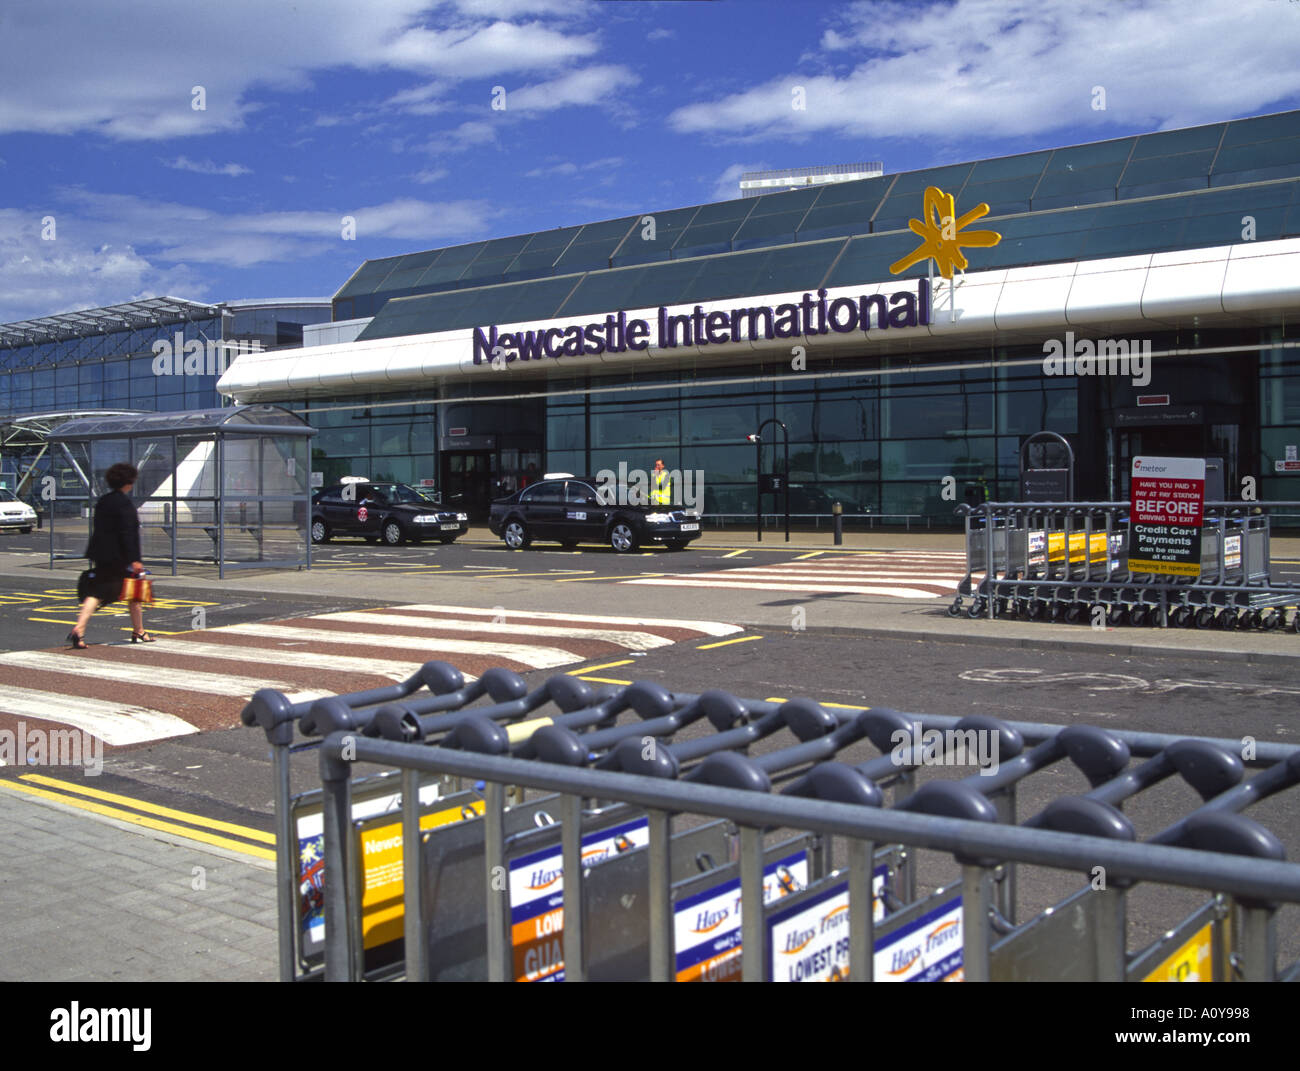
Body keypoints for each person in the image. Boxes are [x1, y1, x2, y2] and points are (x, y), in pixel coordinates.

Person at [69, 462, 154, 648]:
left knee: (102, 592)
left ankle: (81, 629)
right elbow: (128, 534)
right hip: (120, 557)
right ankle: (137, 631)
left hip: (100, 554)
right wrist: (135, 559)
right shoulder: (125, 505)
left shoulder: (103, 501)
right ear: (129, 482)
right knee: (128, 591)